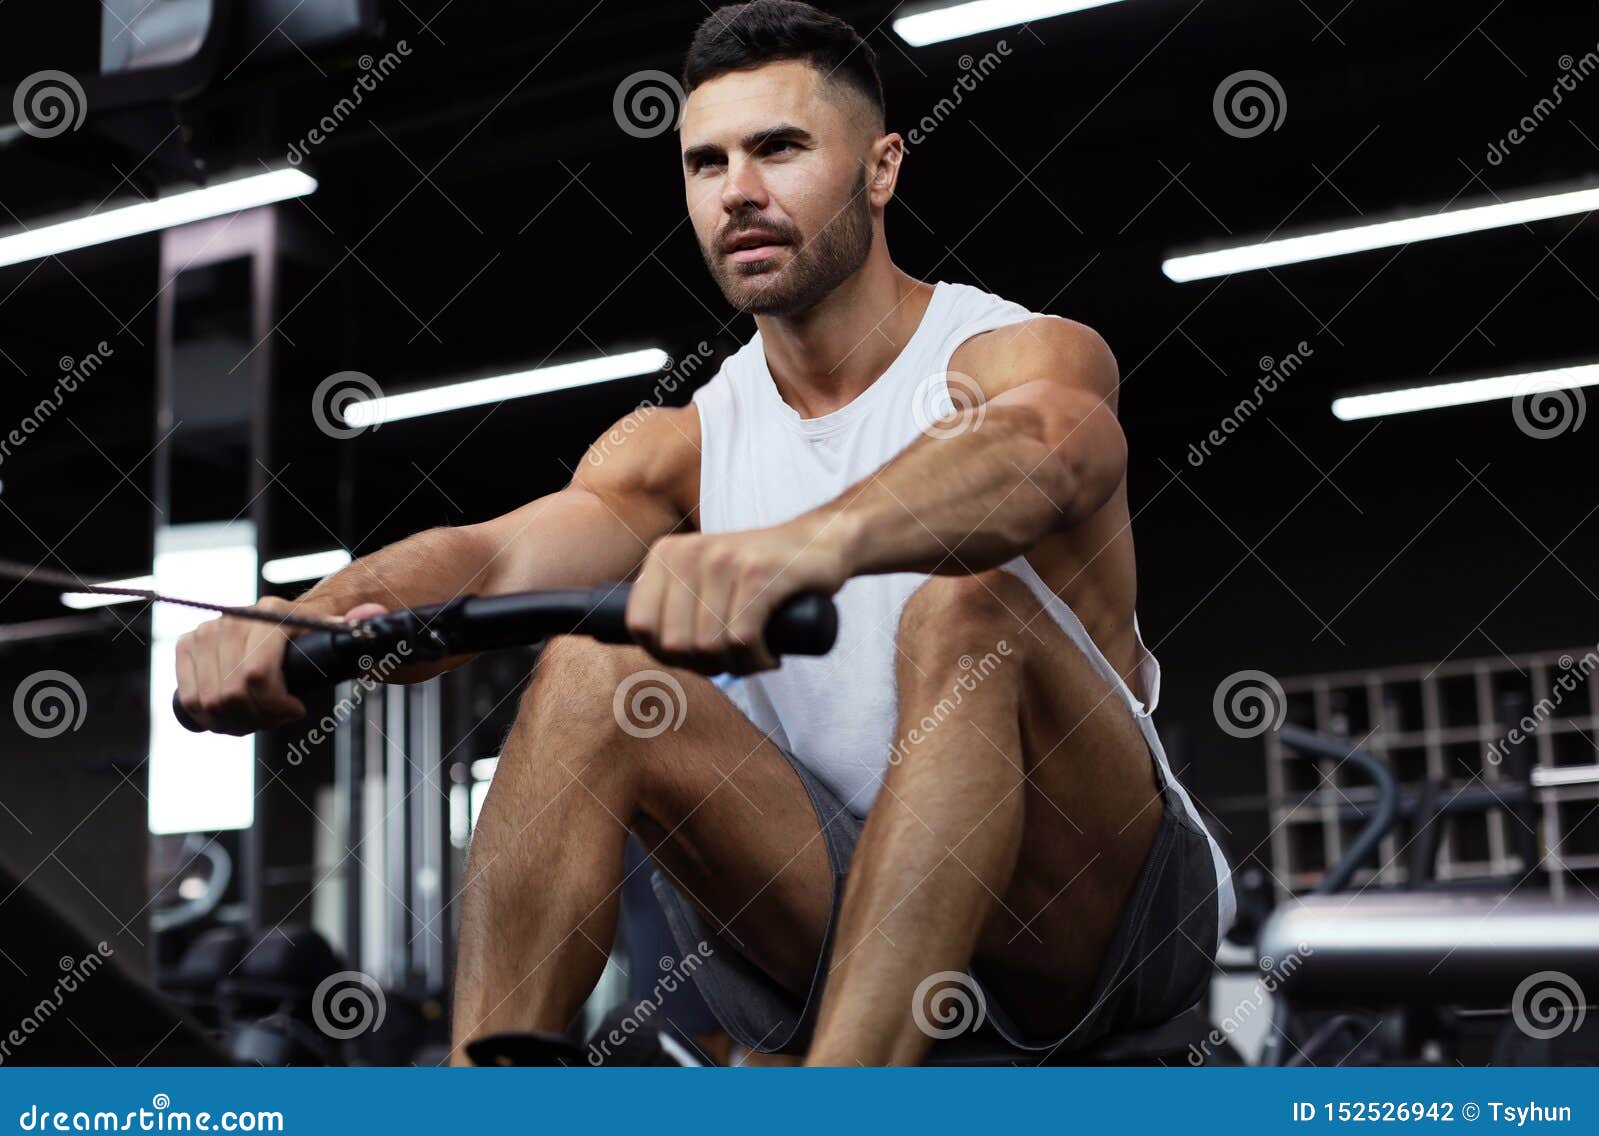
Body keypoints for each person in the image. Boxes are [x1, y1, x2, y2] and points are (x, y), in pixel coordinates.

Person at [175, 0, 1234, 1066]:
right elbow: (489, 560)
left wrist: (811, 543)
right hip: (847, 907)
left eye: (779, 149)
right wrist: (299, 616)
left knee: (967, 606)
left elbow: (1053, 450)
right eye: (706, 162)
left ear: (880, 168)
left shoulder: (1004, 351)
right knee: (594, 670)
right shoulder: (682, 444)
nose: (738, 191)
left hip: (1094, 935)